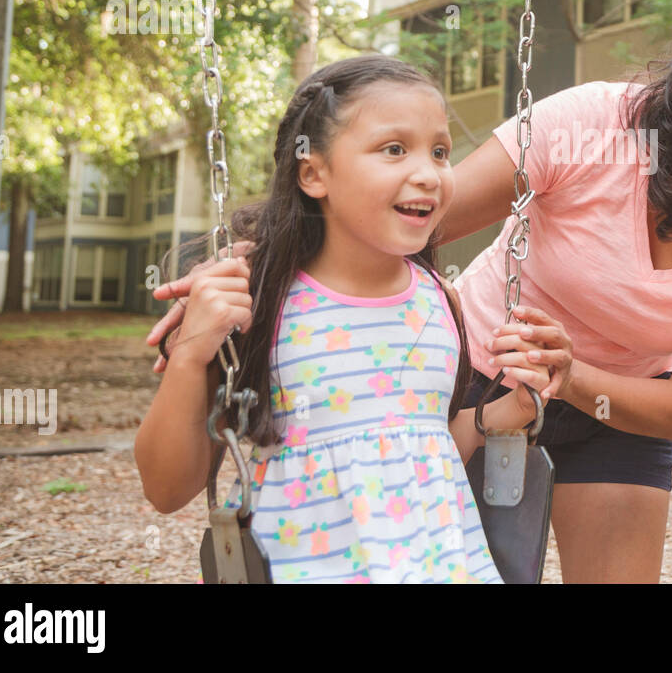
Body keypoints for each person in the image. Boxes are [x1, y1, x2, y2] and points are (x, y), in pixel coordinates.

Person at [149, 0, 672, 584]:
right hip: (476, 367)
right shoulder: (595, 123)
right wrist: (258, 266)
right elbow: (415, 215)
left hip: (621, 407)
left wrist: (568, 378)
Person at [133, 55, 552, 583]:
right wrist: (192, 353)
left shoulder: (439, 299)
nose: (427, 173)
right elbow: (166, 489)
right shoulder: (257, 301)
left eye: (440, 151)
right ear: (314, 172)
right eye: (394, 149)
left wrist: (513, 407)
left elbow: (431, 442)